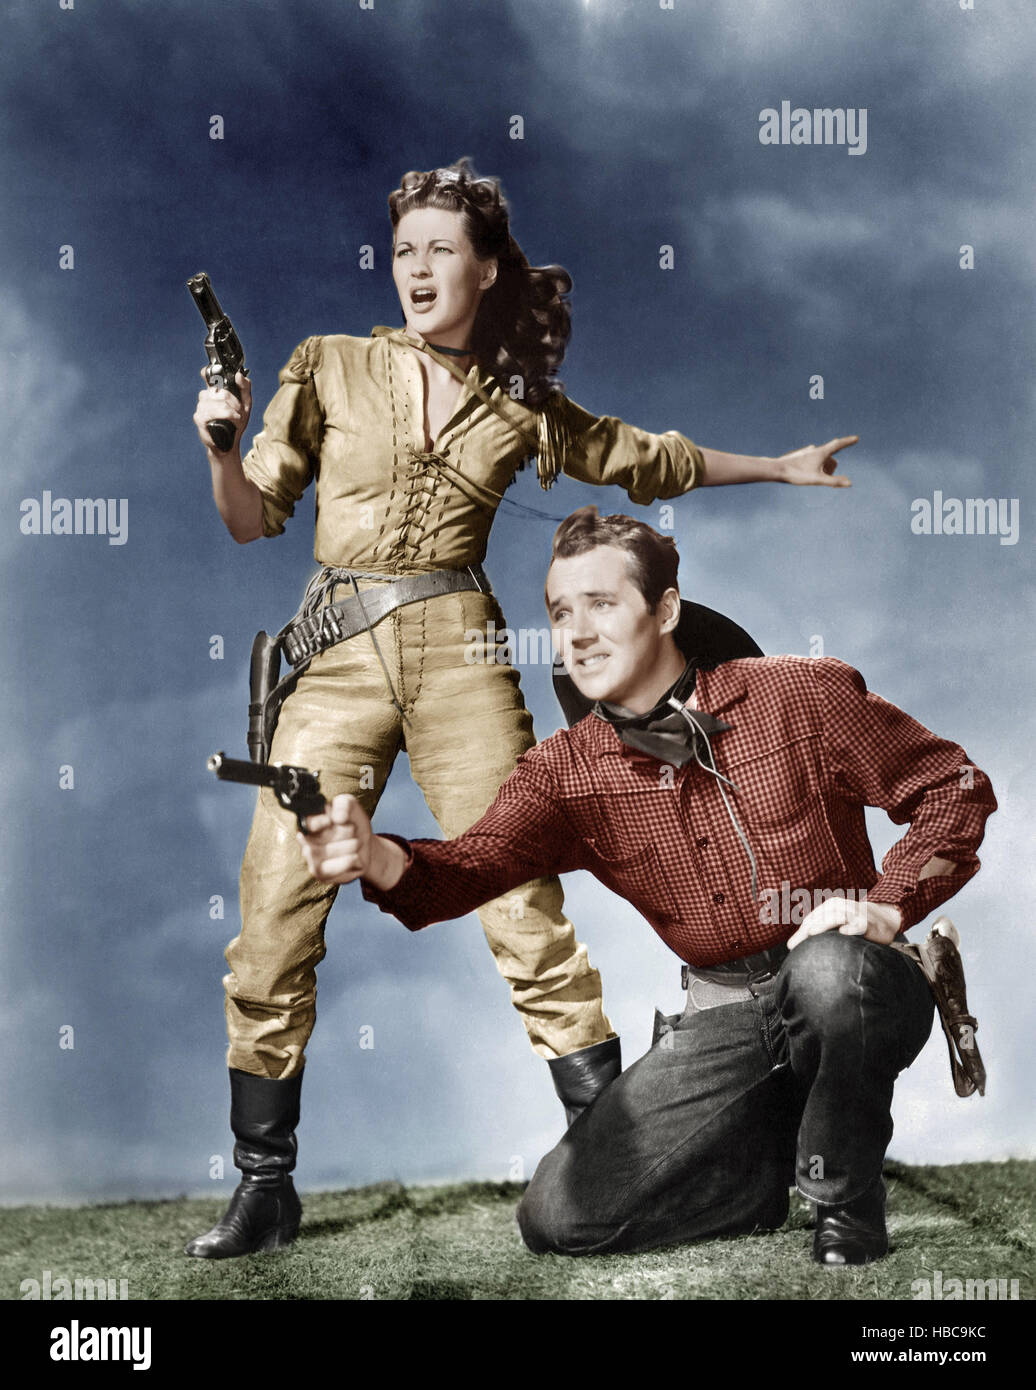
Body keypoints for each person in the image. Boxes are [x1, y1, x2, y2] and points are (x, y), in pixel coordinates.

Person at [188, 158, 859, 1260]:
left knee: (520, 894)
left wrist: (777, 470)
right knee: (274, 903)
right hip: (336, 654)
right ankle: (265, 1182)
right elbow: (250, 518)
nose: (416, 267)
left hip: (461, 648)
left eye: (440, 248)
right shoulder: (328, 366)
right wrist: (220, 443)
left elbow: (641, 457)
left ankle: (613, 1145)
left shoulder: (519, 399)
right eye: (403, 248)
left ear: (485, 267)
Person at [300, 506, 997, 1265]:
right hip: (722, 1018)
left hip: (852, 982)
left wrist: (888, 905)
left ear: (665, 609)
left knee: (832, 974)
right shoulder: (565, 773)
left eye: (602, 603)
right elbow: (473, 865)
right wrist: (377, 857)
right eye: (561, 612)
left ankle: (845, 1204)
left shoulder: (800, 696)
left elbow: (953, 786)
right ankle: (753, 1179)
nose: (577, 632)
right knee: (560, 1219)